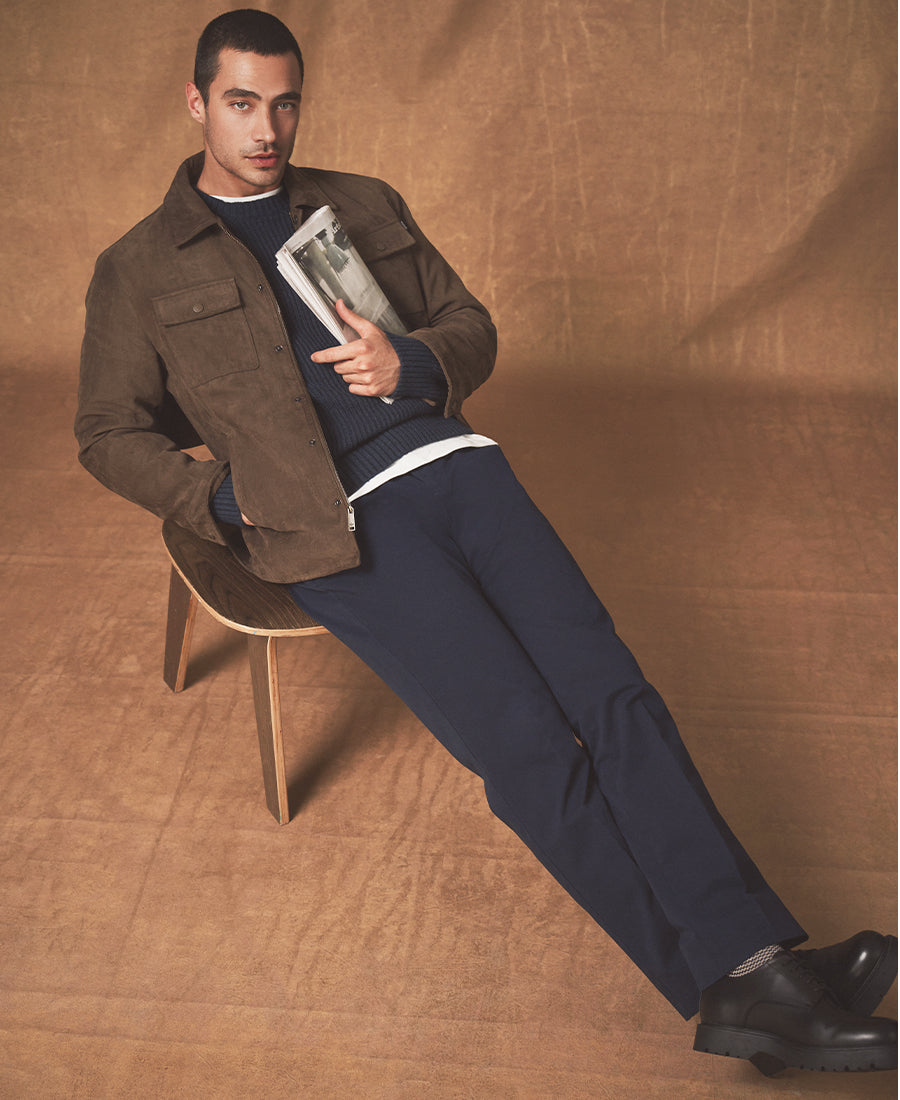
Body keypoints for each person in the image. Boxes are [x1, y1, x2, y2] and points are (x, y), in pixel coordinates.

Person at [75, 9, 897, 1077]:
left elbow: (470, 325)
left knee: (616, 697)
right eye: (240, 103)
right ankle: (731, 976)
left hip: (460, 471)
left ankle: (760, 961)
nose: (266, 126)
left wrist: (409, 367)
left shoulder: (357, 203)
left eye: (284, 102)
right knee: (527, 747)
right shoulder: (136, 267)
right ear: (196, 104)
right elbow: (105, 432)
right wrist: (222, 500)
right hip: (337, 526)